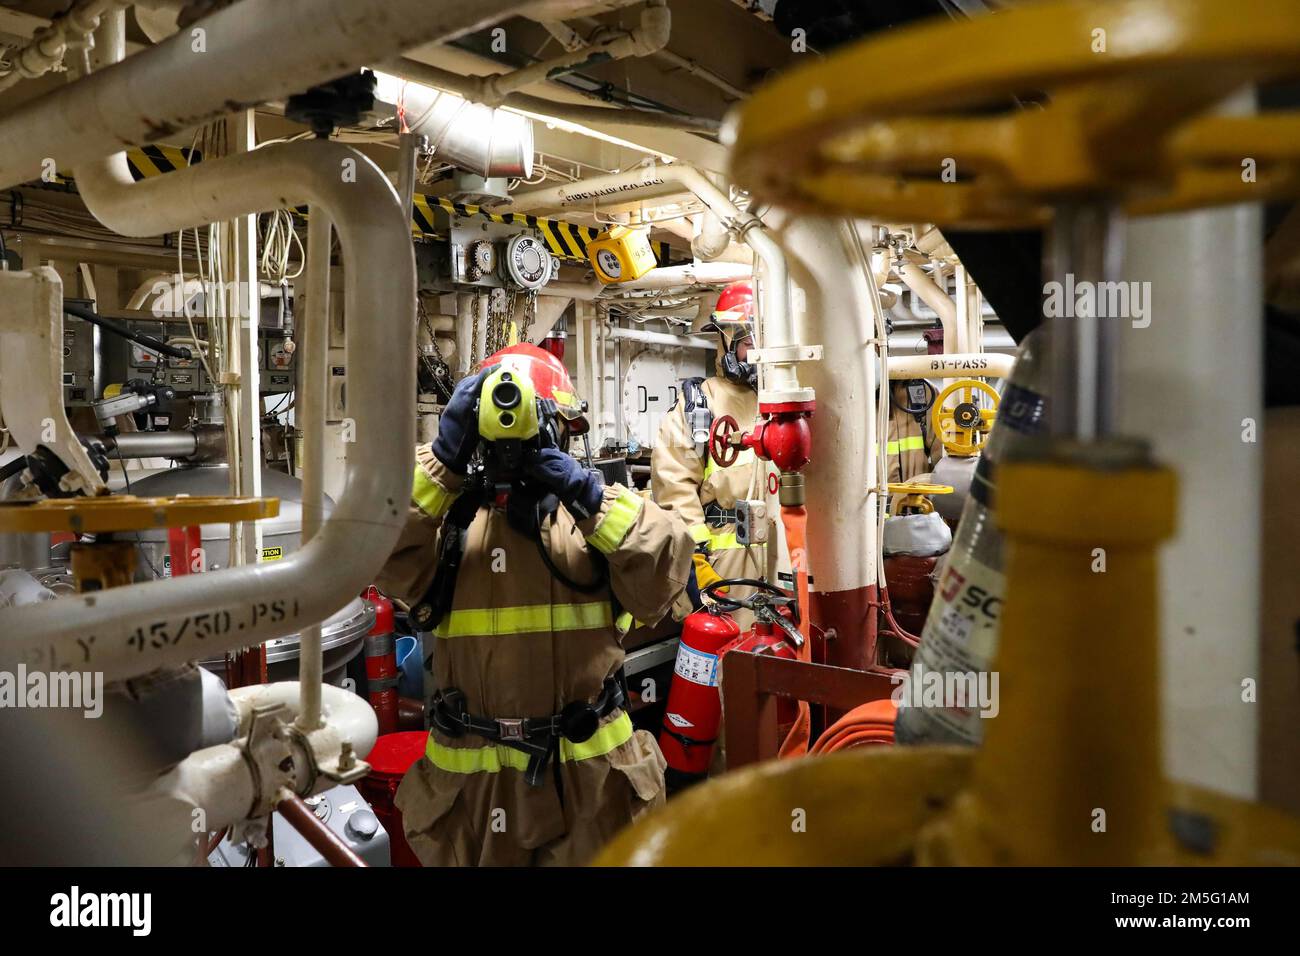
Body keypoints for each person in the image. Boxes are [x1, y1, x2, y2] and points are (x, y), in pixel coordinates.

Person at [375, 343, 695, 866]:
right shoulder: (446, 525)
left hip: (592, 791)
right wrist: (441, 464)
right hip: (475, 803)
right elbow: (371, 547)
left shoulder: (596, 517)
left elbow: (667, 567)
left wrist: (589, 495)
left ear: (564, 433)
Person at [651, 280, 766, 610]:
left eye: (762, 340)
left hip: (789, 555)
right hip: (727, 566)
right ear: (725, 341)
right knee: (736, 642)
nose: (756, 351)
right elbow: (673, 489)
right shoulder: (699, 405)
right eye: (747, 341)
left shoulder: (789, 399)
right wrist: (697, 561)